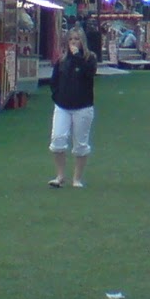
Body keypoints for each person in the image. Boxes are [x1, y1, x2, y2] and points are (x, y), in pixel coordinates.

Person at [48, 26, 96, 188]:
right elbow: (54, 81)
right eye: (71, 39)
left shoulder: (89, 59)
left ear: (82, 41)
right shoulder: (61, 61)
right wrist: (57, 95)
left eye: (77, 39)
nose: (73, 42)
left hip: (83, 106)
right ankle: (60, 175)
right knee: (57, 139)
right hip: (63, 105)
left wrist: (77, 56)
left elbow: (88, 74)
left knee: (81, 143)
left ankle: (77, 178)